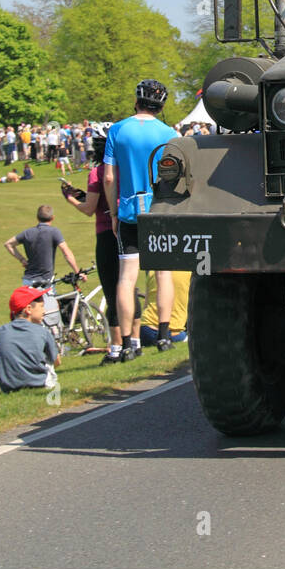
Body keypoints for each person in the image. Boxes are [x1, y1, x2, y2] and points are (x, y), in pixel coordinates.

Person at [104, 80, 178, 363]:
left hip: (128, 210)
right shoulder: (168, 133)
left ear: (137, 102)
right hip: (158, 209)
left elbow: (109, 177)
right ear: (161, 106)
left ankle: (126, 343)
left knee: (127, 278)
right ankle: (164, 334)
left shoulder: (118, 130)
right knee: (162, 274)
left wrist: (112, 212)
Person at [62, 130, 124, 350]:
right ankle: (133, 338)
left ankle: (116, 343)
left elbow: (89, 208)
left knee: (111, 287)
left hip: (106, 232)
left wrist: (70, 198)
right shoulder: (124, 168)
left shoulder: (98, 173)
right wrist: (82, 194)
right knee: (129, 285)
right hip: (128, 229)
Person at [0, 286, 60, 393]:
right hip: (38, 383)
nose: (44, 311)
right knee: (48, 358)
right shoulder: (42, 331)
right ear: (28, 309)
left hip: (7, 387)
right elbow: (56, 361)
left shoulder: (1, 331)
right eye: (42, 306)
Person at [4, 205, 82, 288]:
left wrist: (22, 259)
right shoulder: (54, 232)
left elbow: (8, 244)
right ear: (52, 218)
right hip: (45, 282)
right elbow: (66, 253)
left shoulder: (27, 233)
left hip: (28, 281)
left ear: (37, 218)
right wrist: (78, 272)